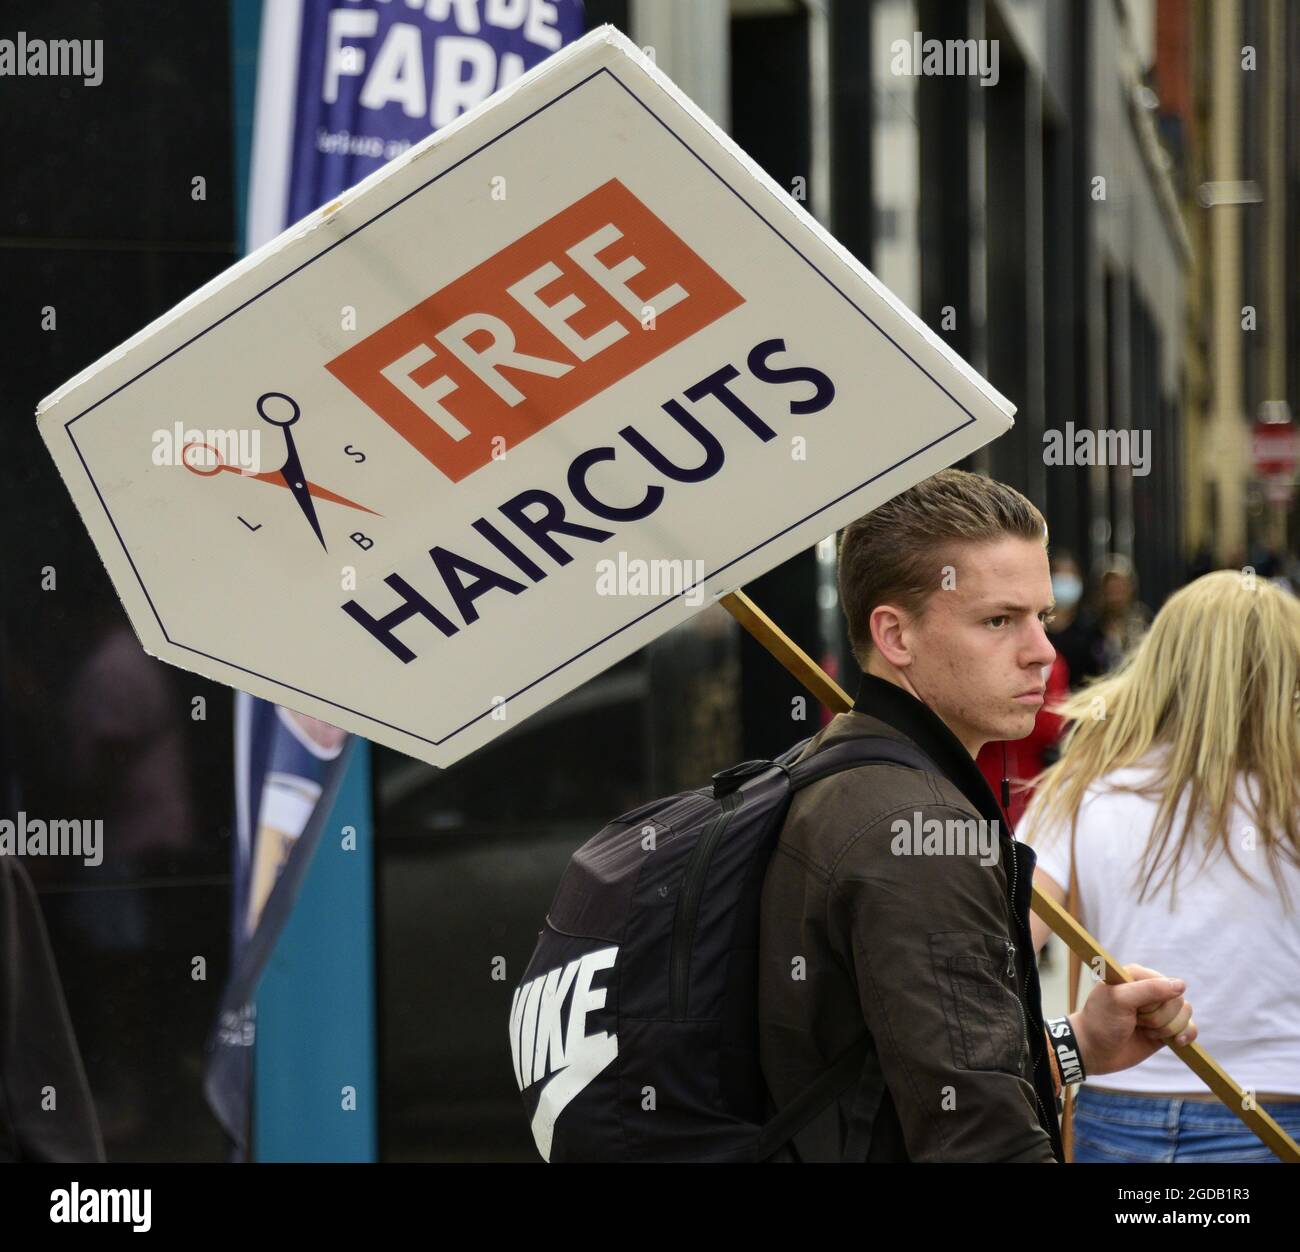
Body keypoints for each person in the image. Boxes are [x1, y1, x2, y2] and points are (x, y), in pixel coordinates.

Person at [757, 468, 1197, 1163]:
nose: (1042, 651)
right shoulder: (920, 837)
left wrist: (1078, 1044)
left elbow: (907, 1081)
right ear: (895, 637)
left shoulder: (833, 773)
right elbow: (981, 1142)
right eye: (999, 620)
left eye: (1042, 616)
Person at [1019, 569, 1300, 1163]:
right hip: (1274, 1112)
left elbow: (999, 947)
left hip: (1113, 1112)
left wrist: (1057, 1049)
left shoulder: (1082, 787)